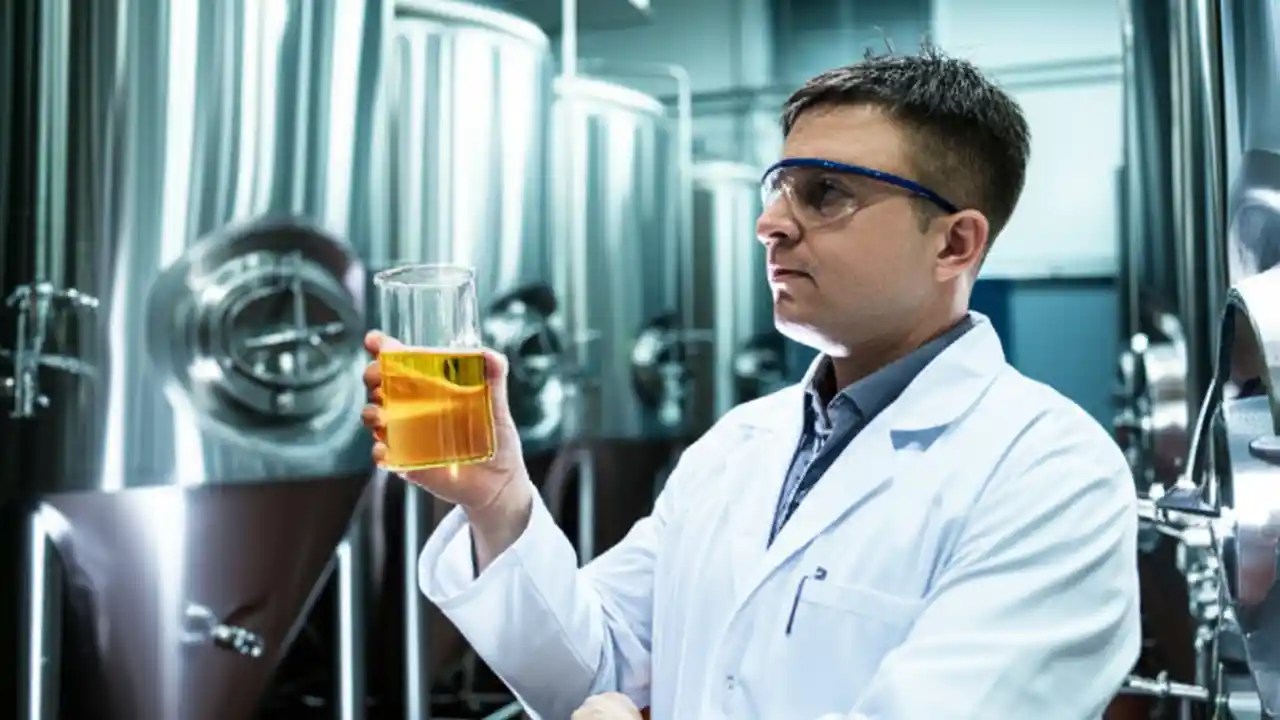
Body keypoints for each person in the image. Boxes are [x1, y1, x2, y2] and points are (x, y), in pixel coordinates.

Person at [361, 46, 1141, 719]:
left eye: (825, 193)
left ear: (954, 243)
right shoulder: (740, 443)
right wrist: (498, 503)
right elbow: (596, 667)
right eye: (778, 186)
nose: (771, 222)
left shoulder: (1050, 472)